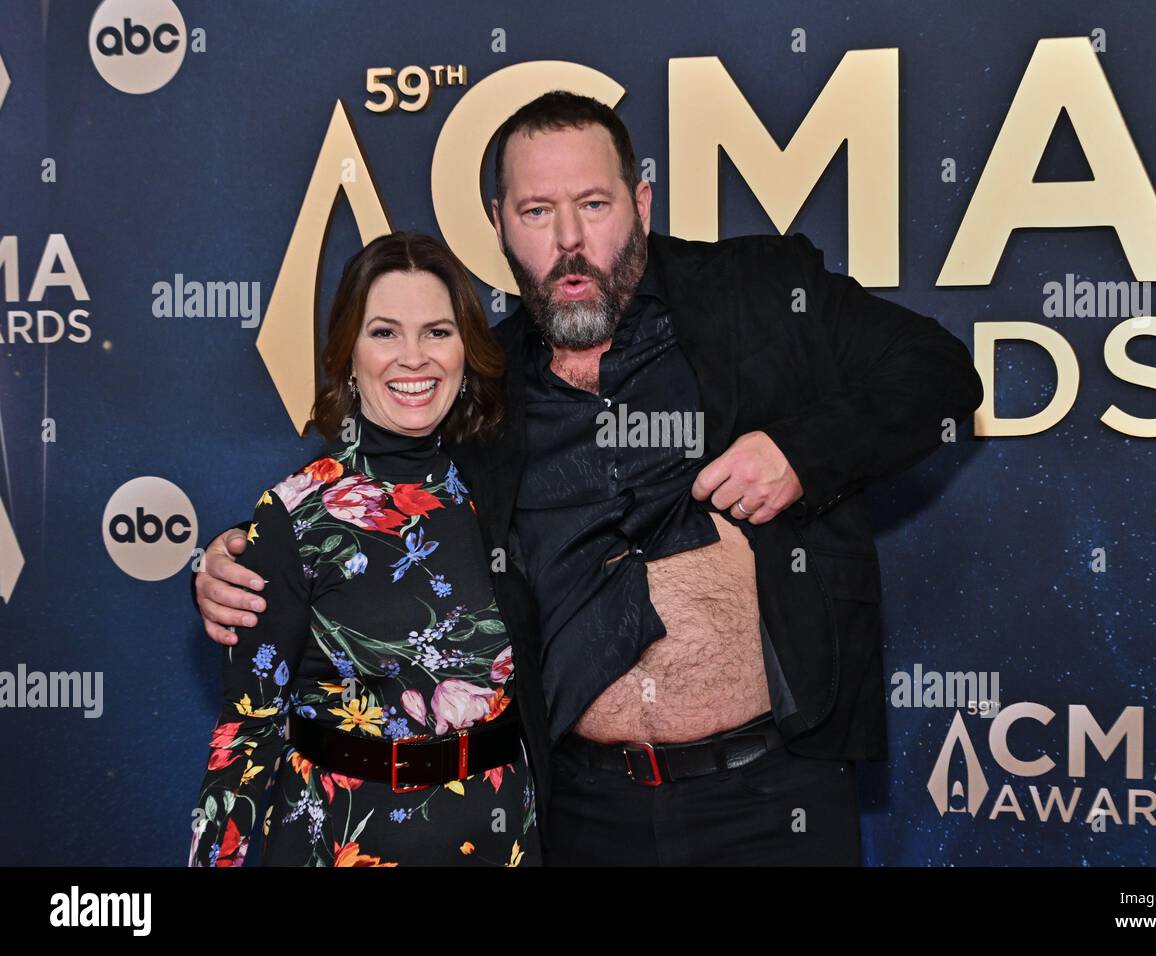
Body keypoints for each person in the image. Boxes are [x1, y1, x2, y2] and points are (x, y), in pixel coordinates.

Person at [194, 91, 984, 866]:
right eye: (537, 212)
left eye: (594, 204)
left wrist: (801, 453)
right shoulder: (484, 387)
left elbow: (941, 374)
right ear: (499, 224)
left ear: (640, 201)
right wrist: (242, 554)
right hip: (580, 815)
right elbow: (376, 487)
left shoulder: (759, 294)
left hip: (773, 799)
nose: (570, 240)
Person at [188, 232, 541, 867]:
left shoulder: (504, 495)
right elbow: (246, 734)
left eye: (437, 331)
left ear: (467, 351)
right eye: (384, 332)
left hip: (502, 842)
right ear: (348, 352)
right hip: (339, 844)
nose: (414, 358)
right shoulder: (294, 515)